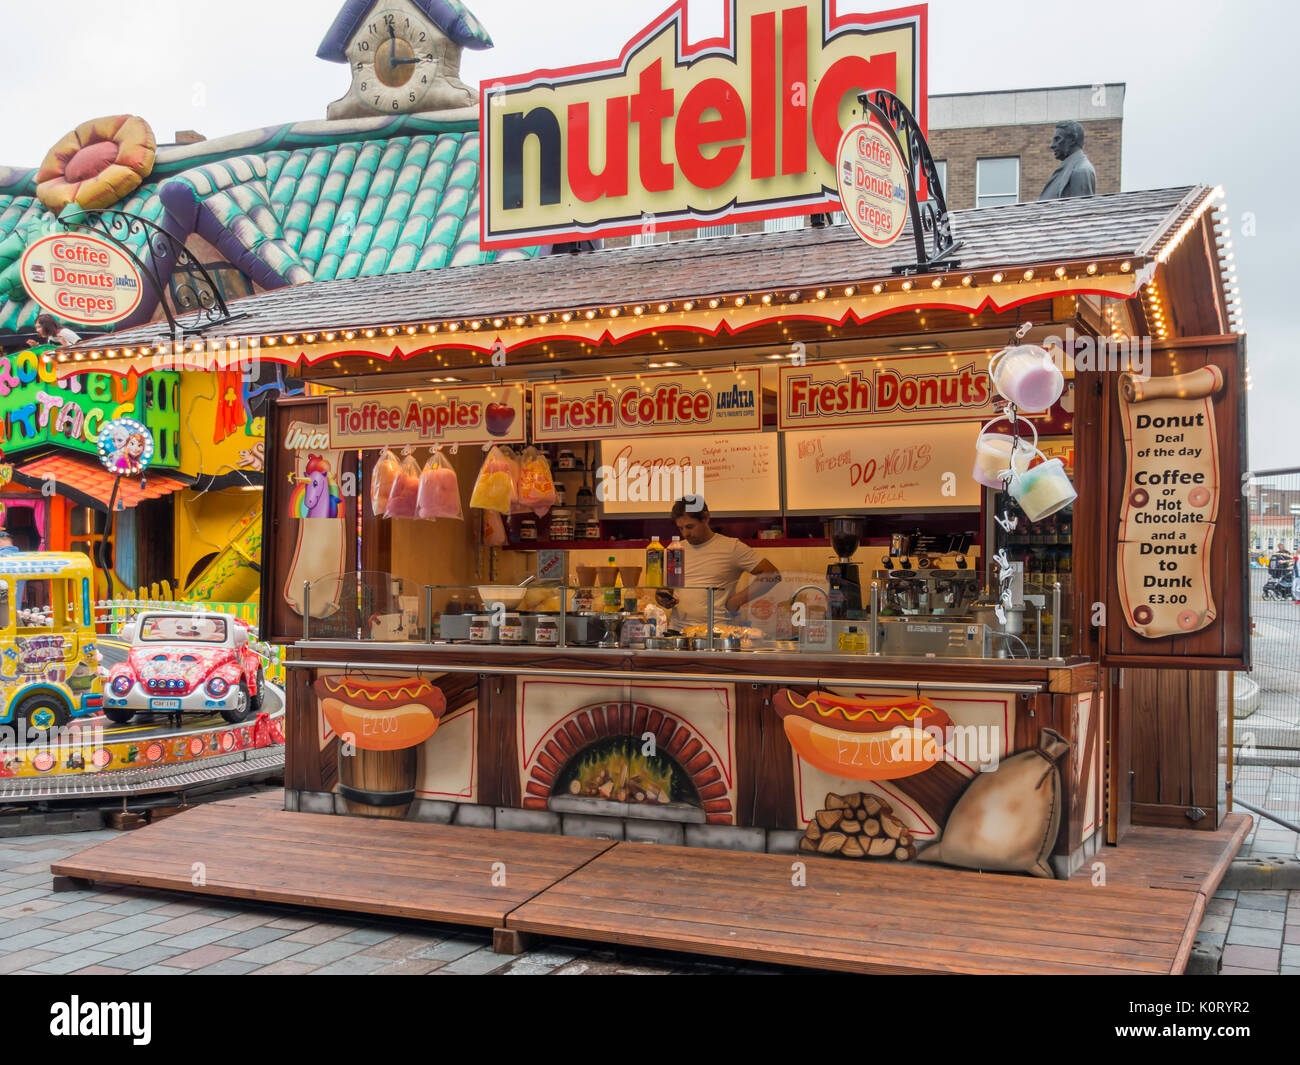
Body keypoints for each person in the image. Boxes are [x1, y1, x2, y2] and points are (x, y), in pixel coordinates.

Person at [655, 497, 780, 627]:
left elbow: (772, 574)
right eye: (681, 528)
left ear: (705, 518)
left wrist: (738, 600)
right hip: (678, 632)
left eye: (690, 527)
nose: (686, 533)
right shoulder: (675, 549)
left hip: (717, 632)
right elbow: (666, 588)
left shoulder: (732, 547)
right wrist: (662, 598)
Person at [1038, 120, 1097, 200]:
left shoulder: (1081, 171)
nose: (1052, 145)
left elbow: (1080, 210)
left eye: (1058, 139)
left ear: (1072, 140)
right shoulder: (1067, 169)